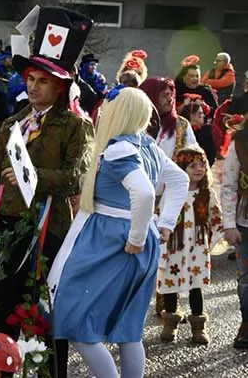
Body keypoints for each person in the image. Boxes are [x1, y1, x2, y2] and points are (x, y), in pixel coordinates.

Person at [0, 6, 96, 378]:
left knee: (45, 315)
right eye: (30, 78)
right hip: (7, 227)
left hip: (50, 233)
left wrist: (31, 176)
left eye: (43, 81)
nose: (33, 86)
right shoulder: (13, 123)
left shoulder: (76, 126)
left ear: (61, 86)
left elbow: (76, 178)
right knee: (2, 310)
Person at [48, 87, 189, 378]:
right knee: (129, 330)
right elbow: (179, 180)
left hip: (112, 238)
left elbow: (145, 193)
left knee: (74, 322)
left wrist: (137, 238)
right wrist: (162, 225)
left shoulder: (119, 147)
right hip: (134, 236)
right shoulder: (147, 145)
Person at [155, 143, 221, 344]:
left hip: (197, 249)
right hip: (174, 247)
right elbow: (161, 215)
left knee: (196, 285)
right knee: (171, 285)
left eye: (202, 164)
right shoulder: (173, 193)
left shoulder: (207, 194)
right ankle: (170, 322)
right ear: (181, 169)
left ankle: (198, 327)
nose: (199, 169)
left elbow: (216, 218)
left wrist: (214, 238)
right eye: (192, 165)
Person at [219, 111, 248, 348]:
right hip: (245, 224)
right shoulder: (239, 144)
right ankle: (247, 325)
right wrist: (228, 224)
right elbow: (228, 186)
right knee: (246, 281)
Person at [143, 75, 197, 158]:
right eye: (165, 95)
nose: (170, 99)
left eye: (171, 95)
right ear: (150, 98)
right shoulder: (137, 125)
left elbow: (193, 156)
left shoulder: (181, 125)